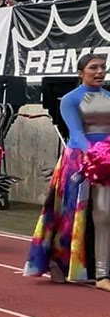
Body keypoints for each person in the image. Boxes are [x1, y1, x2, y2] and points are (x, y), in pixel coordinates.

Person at [24, 53, 110, 290]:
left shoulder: (108, 97)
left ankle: (102, 272)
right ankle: (58, 262)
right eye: (94, 67)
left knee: (103, 213)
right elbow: (76, 133)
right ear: (81, 72)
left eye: (103, 67)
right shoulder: (71, 99)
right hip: (80, 160)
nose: (100, 72)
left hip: (106, 159)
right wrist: (93, 155)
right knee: (70, 214)